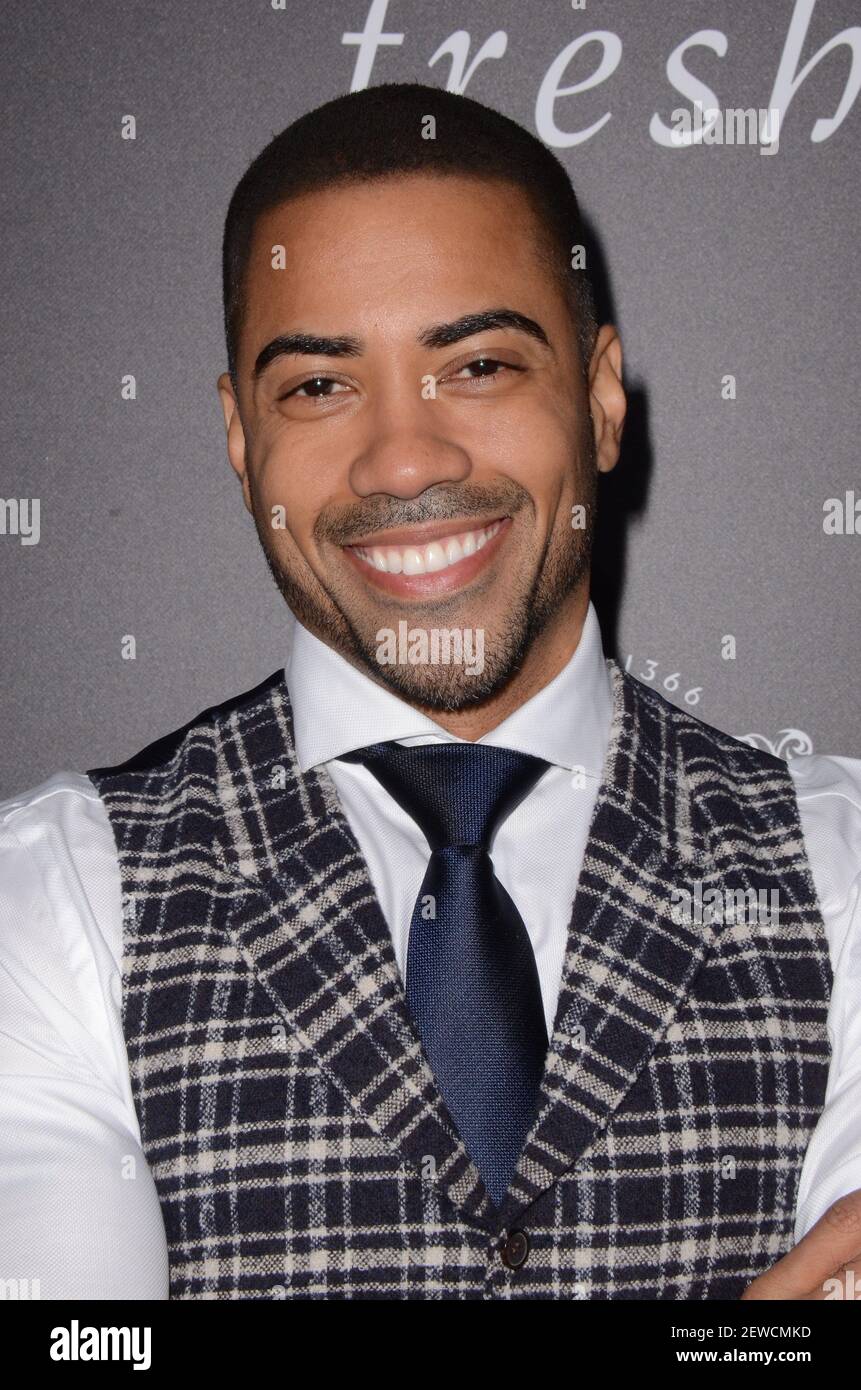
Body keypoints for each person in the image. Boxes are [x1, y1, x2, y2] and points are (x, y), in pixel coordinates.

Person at [1, 82, 859, 1302]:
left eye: (478, 363)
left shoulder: (841, 864)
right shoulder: (52, 901)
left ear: (603, 397)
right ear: (242, 439)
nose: (405, 457)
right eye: (317, 386)